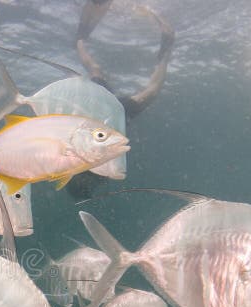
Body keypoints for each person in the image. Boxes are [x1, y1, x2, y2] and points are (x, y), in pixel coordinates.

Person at [67, 0, 175, 198]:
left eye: (86, 187)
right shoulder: (87, 173)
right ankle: (166, 49)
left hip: (105, 113)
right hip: (106, 114)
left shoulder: (73, 168)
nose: (89, 185)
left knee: (145, 91)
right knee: (147, 92)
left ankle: (80, 38)